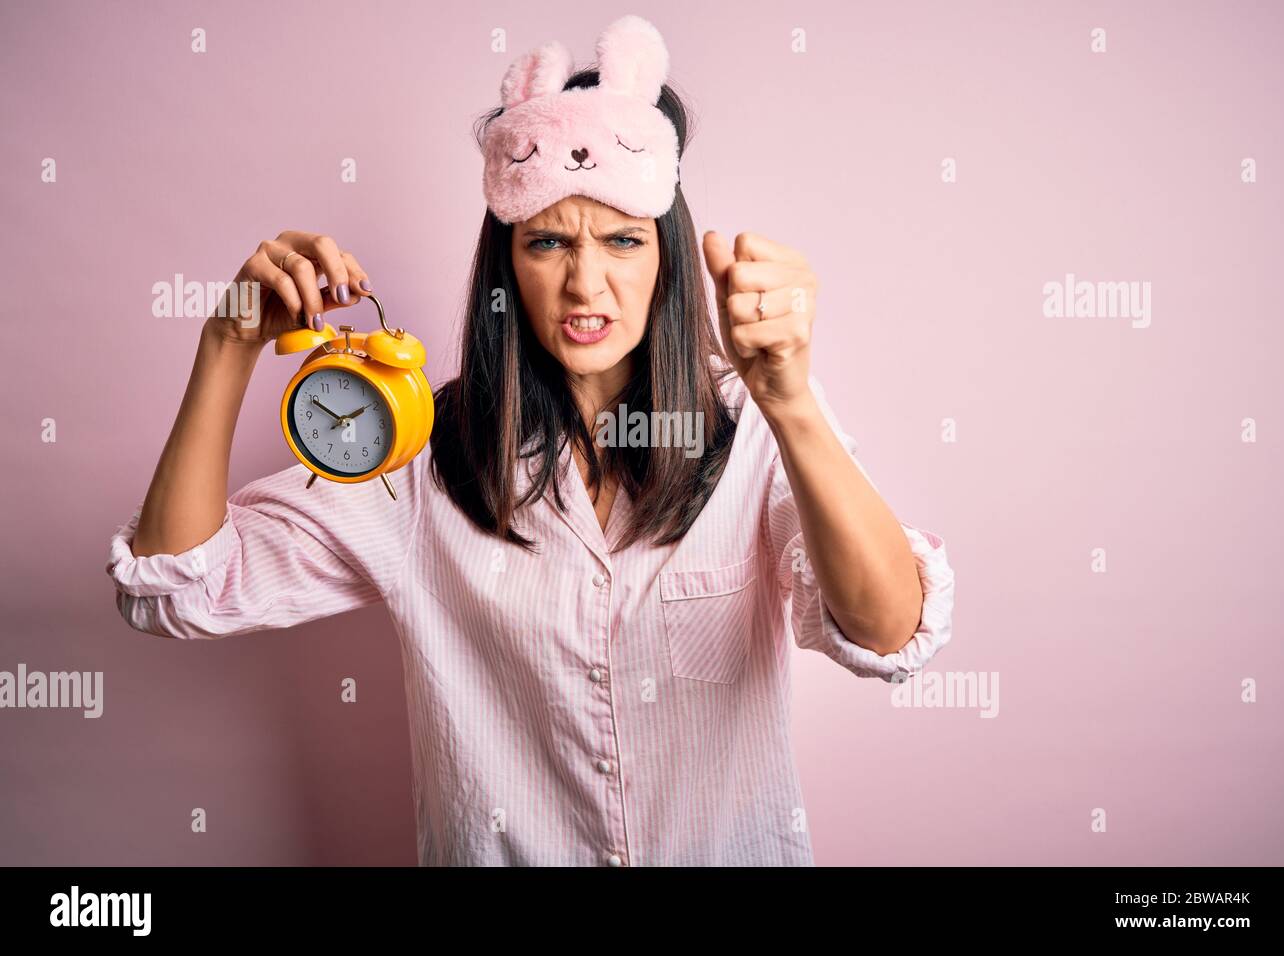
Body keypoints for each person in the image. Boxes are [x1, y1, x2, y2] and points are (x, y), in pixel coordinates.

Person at [106, 15, 955, 866]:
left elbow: (888, 633)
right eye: (548, 241)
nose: (587, 282)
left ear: (664, 254)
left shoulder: (757, 423)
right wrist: (228, 345)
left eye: (623, 240)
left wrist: (792, 402)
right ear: (507, 264)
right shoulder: (421, 461)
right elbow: (177, 590)